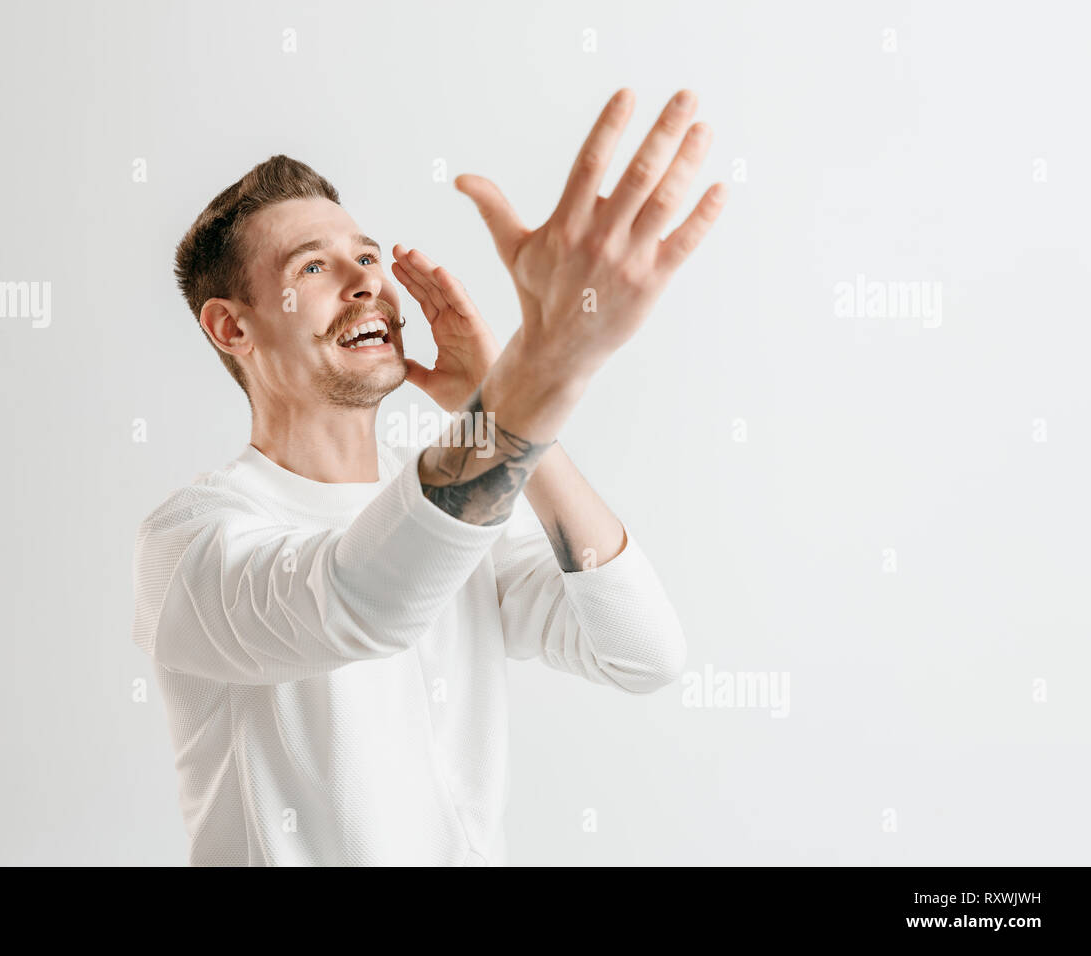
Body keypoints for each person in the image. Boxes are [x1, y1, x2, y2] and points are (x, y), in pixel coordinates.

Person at [131, 87, 727, 865]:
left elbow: (642, 651)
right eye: (313, 266)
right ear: (232, 327)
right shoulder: (191, 543)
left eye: (368, 256)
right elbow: (364, 601)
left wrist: (499, 407)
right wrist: (537, 374)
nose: (365, 281)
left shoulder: (465, 521)